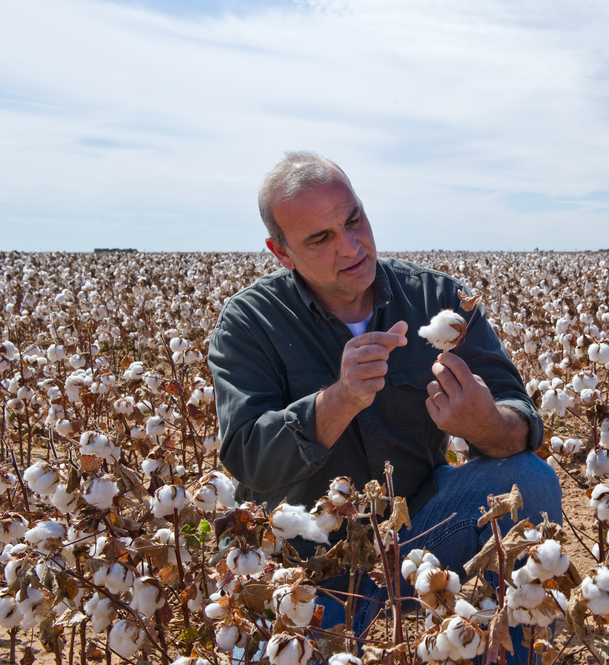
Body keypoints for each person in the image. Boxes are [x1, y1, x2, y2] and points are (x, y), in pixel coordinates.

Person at [208, 152, 561, 656]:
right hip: (302, 561)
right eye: (320, 238)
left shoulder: (438, 300)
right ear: (281, 253)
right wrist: (339, 399)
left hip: (420, 534)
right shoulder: (250, 323)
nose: (350, 246)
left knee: (527, 480)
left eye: (353, 220)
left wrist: (485, 424)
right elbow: (248, 456)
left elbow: (518, 420)